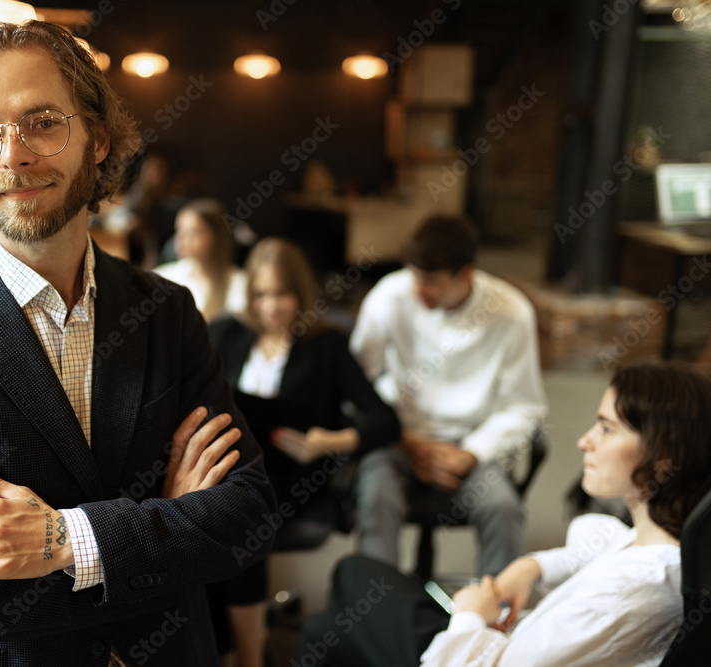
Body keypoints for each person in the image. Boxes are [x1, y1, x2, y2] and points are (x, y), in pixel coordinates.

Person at [0, 20, 276, 667]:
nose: (14, 155)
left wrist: (60, 538)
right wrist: (168, 524)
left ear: (98, 139)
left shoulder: (167, 310)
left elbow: (246, 517)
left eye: (42, 121)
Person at [295, 361, 711, 667]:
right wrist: (530, 566)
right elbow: (599, 550)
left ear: (662, 459)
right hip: (500, 639)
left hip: (470, 653)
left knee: (353, 572)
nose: (585, 440)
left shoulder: (628, 592)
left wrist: (471, 613)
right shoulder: (663, 544)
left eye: (606, 428)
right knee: (325, 633)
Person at [205, 238, 400, 667]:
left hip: (294, 478)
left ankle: (247, 657)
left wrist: (329, 442)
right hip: (229, 469)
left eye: (282, 294)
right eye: (261, 294)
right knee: (207, 515)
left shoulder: (325, 346)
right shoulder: (226, 333)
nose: (271, 306)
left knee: (234, 516)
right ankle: (220, 649)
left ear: (301, 294)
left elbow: (385, 421)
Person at [349, 215, 547, 576]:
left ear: (466, 275)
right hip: (399, 436)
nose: (418, 291)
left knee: (502, 508)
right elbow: (356, 384)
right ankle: (375, 614)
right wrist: (403, 440)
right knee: (376, 498)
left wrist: (472, 454)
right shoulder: (389, 297)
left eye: (431, 283)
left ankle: (494, 622)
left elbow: (524, 405)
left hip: (472, 442)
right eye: (414, 277)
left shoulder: (511, 313)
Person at [154, 198, 247, 322]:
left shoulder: (240, 283)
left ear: (215, 236)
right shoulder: (163, 278)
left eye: (192, 233)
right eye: (179, 231)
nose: (181, 240)